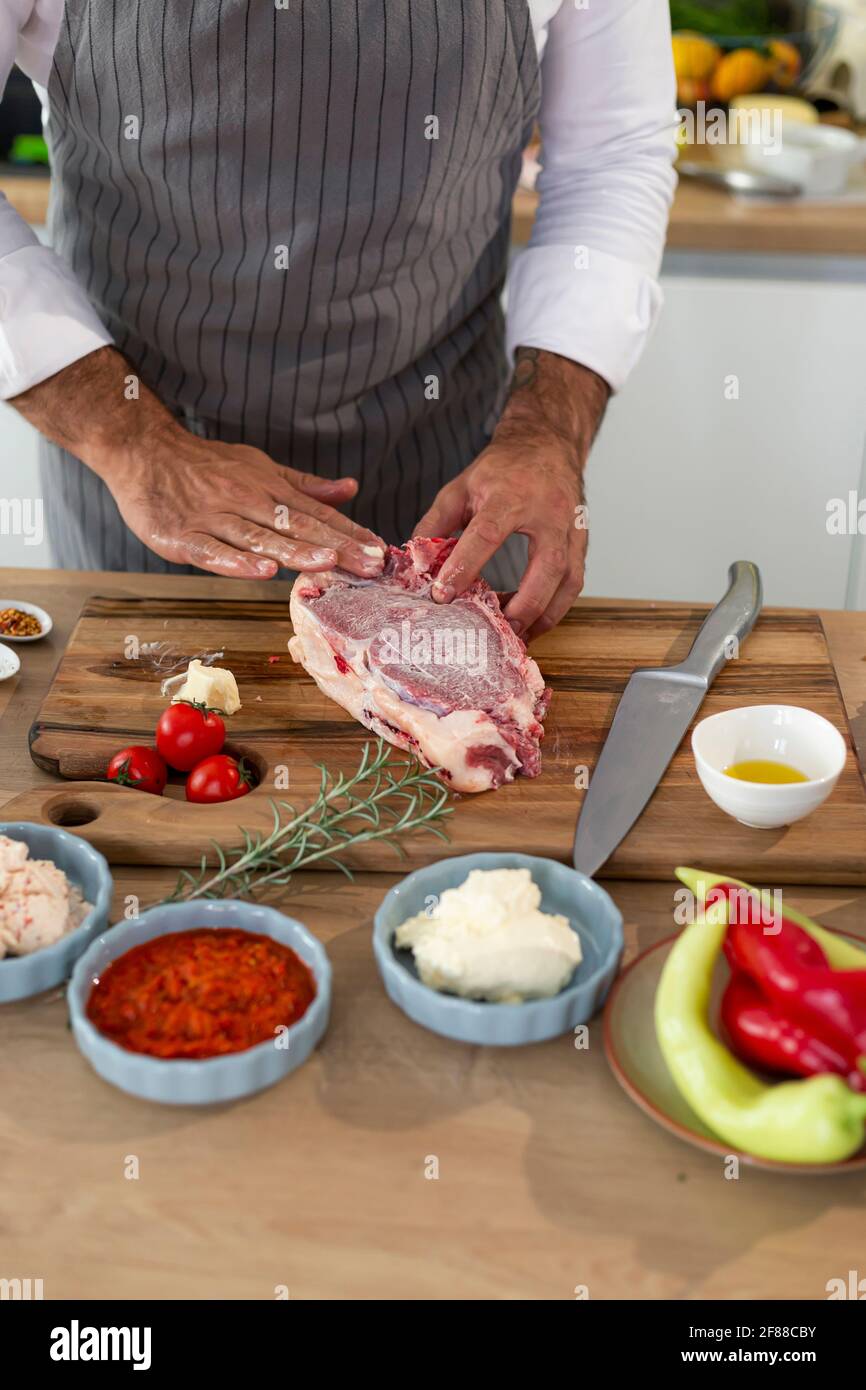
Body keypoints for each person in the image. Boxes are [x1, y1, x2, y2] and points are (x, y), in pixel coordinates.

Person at [1, 0, 676, 640]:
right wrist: (130, 441)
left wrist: (547, 430)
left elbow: (611, 160)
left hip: (449, 499)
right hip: (138, 485)